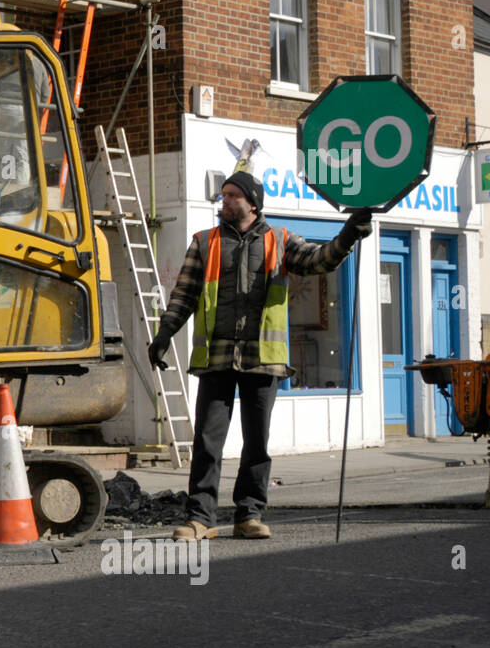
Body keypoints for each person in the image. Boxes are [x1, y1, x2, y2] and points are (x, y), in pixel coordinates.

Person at [148, 170, 373, 541]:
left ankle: (249, 515)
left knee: (257, 443)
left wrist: (348, 235)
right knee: (207, 441)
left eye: (233, 195)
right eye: (223, 195)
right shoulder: (204, 242)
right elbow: (183, 295)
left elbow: (321, 261)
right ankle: (200, 519)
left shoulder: (280, 240)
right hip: (217, 358)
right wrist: (163, 334)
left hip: (263, 358)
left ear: (253, 203)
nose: (225, 201)